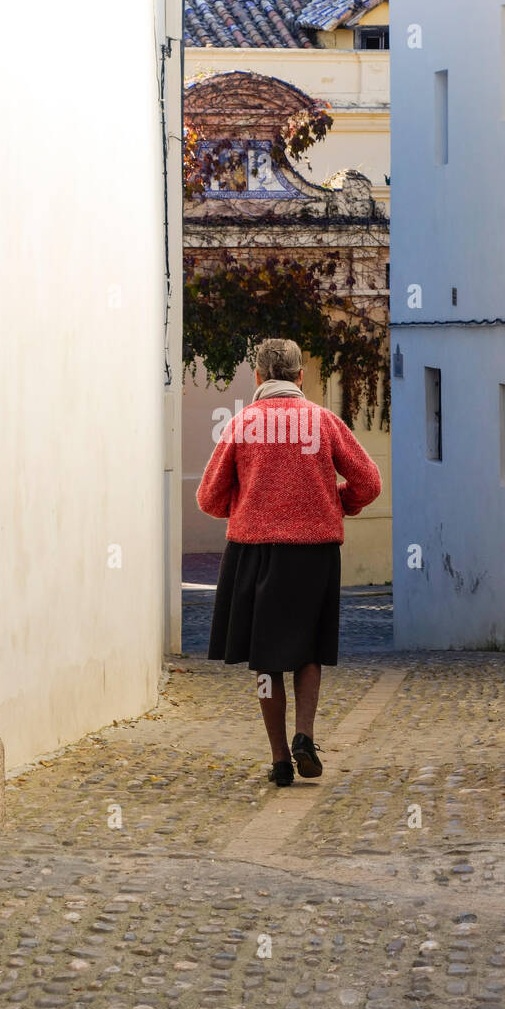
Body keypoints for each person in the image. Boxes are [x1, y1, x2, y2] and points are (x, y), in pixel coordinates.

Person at [196, 337, 382, 786]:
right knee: (309, 650)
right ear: (301, 377)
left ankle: (280, 759)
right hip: (314, 554)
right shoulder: (323, 422)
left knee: (265, 659)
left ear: (257, 377)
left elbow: (208, 496)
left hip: (254, 553)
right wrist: (336, 502)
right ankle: (305, 735)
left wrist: (243, 507)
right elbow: (369, 482)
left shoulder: (242, 426)